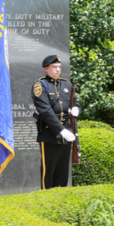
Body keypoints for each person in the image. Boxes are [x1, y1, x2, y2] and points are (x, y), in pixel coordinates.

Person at [31, 54, 80, 189]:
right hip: (50, 134)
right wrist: (61, 130)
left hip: (67, 134)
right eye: (54, 67)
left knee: (62, 173)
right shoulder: (41, 85)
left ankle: (60, 201)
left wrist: (77, 109)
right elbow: (46, 111)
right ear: (46, 69)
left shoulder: (67, 84)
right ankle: (46, 201)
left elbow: (76, 103)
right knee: (49, 174)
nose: (58, 70)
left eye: (59, 67)